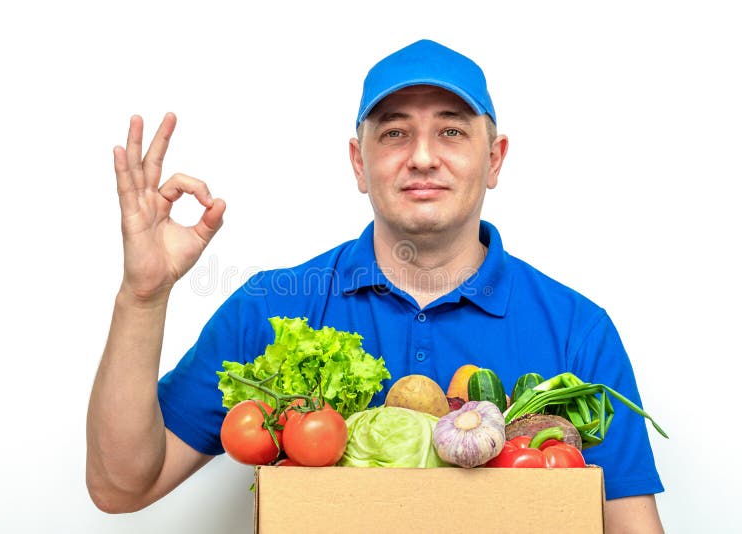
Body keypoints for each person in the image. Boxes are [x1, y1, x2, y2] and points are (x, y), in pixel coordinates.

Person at [86, 39, 664, 532]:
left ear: (494, 158)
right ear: (359, 164)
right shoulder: (272, 309)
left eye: (452, 131)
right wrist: (143, 295)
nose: (421, 157)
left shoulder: (576, 332)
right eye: (393, 133)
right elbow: (121, 487)